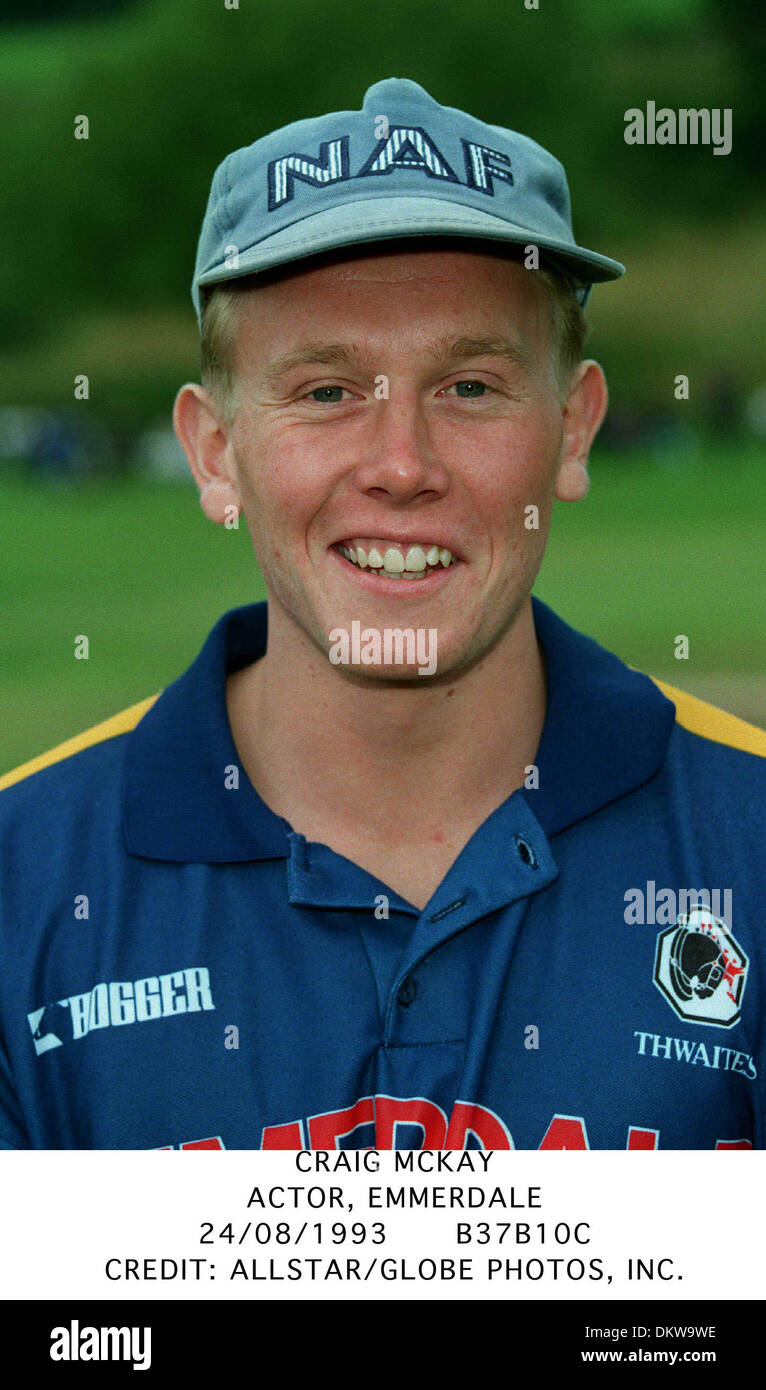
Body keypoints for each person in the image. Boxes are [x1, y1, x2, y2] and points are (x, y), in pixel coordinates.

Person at [1, 79, 764, 1152]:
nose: (401, 464)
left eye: (470, 388)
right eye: (325, 391)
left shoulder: (749, 842)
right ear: (214, 452)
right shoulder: (21, 881)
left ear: (574, 431)